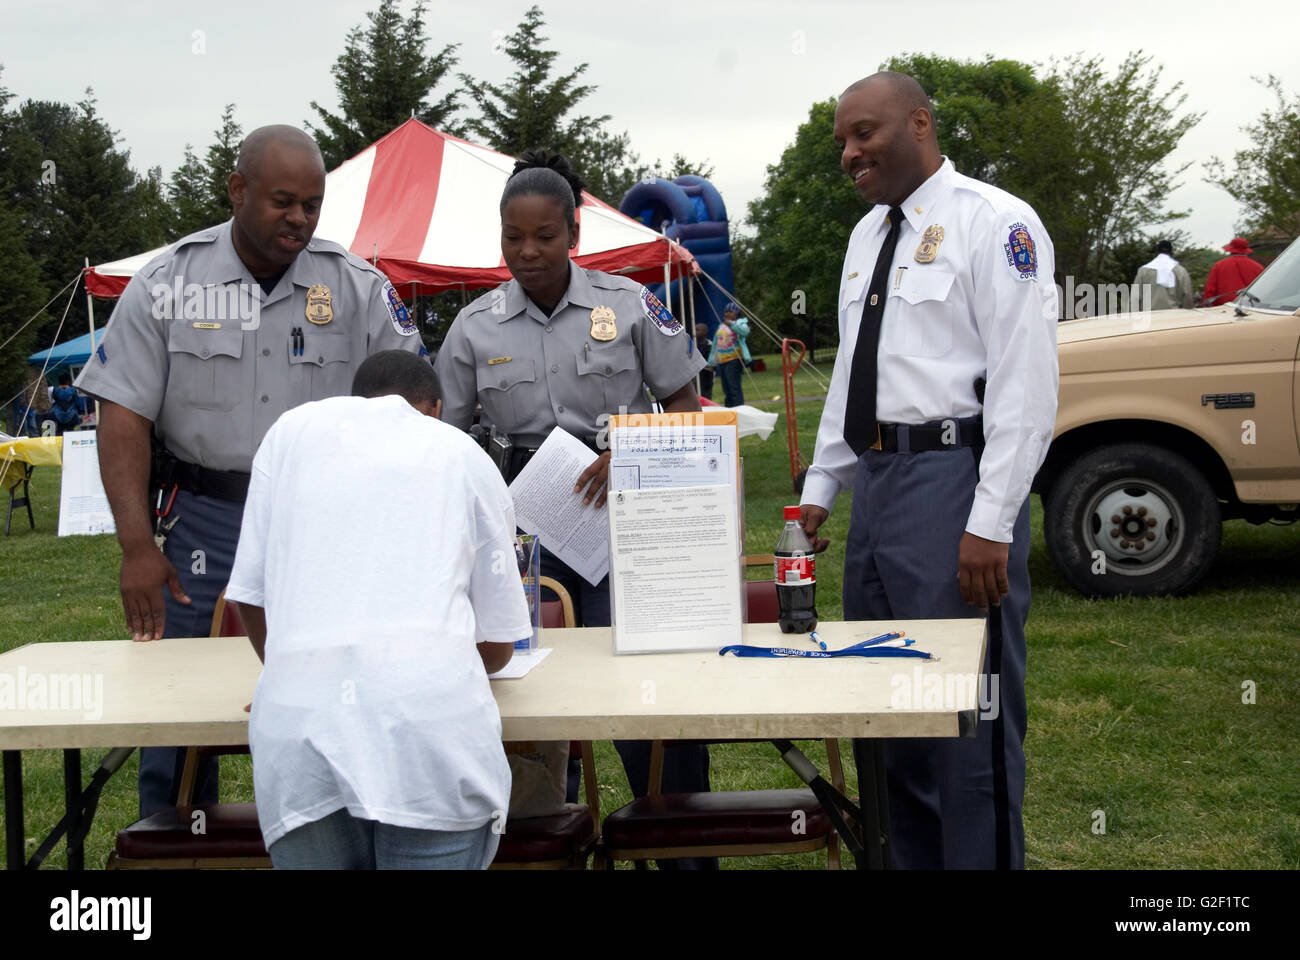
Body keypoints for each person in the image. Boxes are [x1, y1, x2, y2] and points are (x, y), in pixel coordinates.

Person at [75, 124, 425, 818]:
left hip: (326, 526)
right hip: (207, 520)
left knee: (344, 697)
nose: (299, 219)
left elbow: (416, 404)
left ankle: (343, 841)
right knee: (176, 707)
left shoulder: (356, 288)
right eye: (283, 201)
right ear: (238, 191)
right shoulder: (167, 284)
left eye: (313, 205)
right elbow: (123, 418)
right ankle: (170, 841)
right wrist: (137, 547)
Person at [799, 72, 1059, 869]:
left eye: (865, 134)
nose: (850, 153)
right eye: (842, 139)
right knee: (893, 716)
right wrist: (820, 488)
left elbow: (1025, 384)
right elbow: (855, 371)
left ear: (919, 123)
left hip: (954, 485)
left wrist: (991, 521)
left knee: (967, 724)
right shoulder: (866, 236)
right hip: (877, 492)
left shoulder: (994, 222)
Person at [434, 151, 716, 868]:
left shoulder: (629, 306)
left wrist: (638, 449)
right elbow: (444, 439)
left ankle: (681, 850)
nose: (527, 252)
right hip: (525, 540)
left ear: (575, 234)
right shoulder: (473, 329)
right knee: (532, 702)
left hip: (629, 526)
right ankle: (548, 847)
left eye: (544, 237)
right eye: (512, 237)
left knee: (648, 696)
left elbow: (687, 404)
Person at [225, 351, 527, 869]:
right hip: (430, 739)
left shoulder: (289, 435)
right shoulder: (460, 451)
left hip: (298, 733)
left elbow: (249, 596)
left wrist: (292, 670)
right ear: (434, 408)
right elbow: (499, 645)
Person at [707, 302, 751, 407]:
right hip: (722, 361)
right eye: (726, 311)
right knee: (726, 389)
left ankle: (738, 408)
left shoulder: (740, 323)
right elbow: (715, 346)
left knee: (734, 387)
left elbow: (744, 332)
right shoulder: (721, 326)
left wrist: (731, 324)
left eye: (730, 311)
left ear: (736, 313)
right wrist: (712, 362)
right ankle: (729, 409)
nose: (727, 313)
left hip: (734, 360)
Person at [1202, 237, 1263, 307]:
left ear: (1230, 250)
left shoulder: (1219, 266)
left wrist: (1207, 309)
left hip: (1224, 310)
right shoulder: (1258, 267)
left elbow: (1210, 291)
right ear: (1246, 250)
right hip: (1252, 308)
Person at [1133, 240, 1193, 311]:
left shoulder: (1143, 271)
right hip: (1174, 315)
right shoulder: (1181, 271)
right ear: (1171, 252)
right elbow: (1187, 295)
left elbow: (1135, 296)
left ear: (1157, 252)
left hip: (1149, 316)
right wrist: (1187, 313)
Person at [695, 323, 715, 399]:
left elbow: (712, 358)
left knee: (706, 393)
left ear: (704, 332)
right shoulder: (693, 344)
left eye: (697, 330)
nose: (695, 331)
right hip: (696, 373)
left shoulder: (709, 345)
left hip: (706, 374)